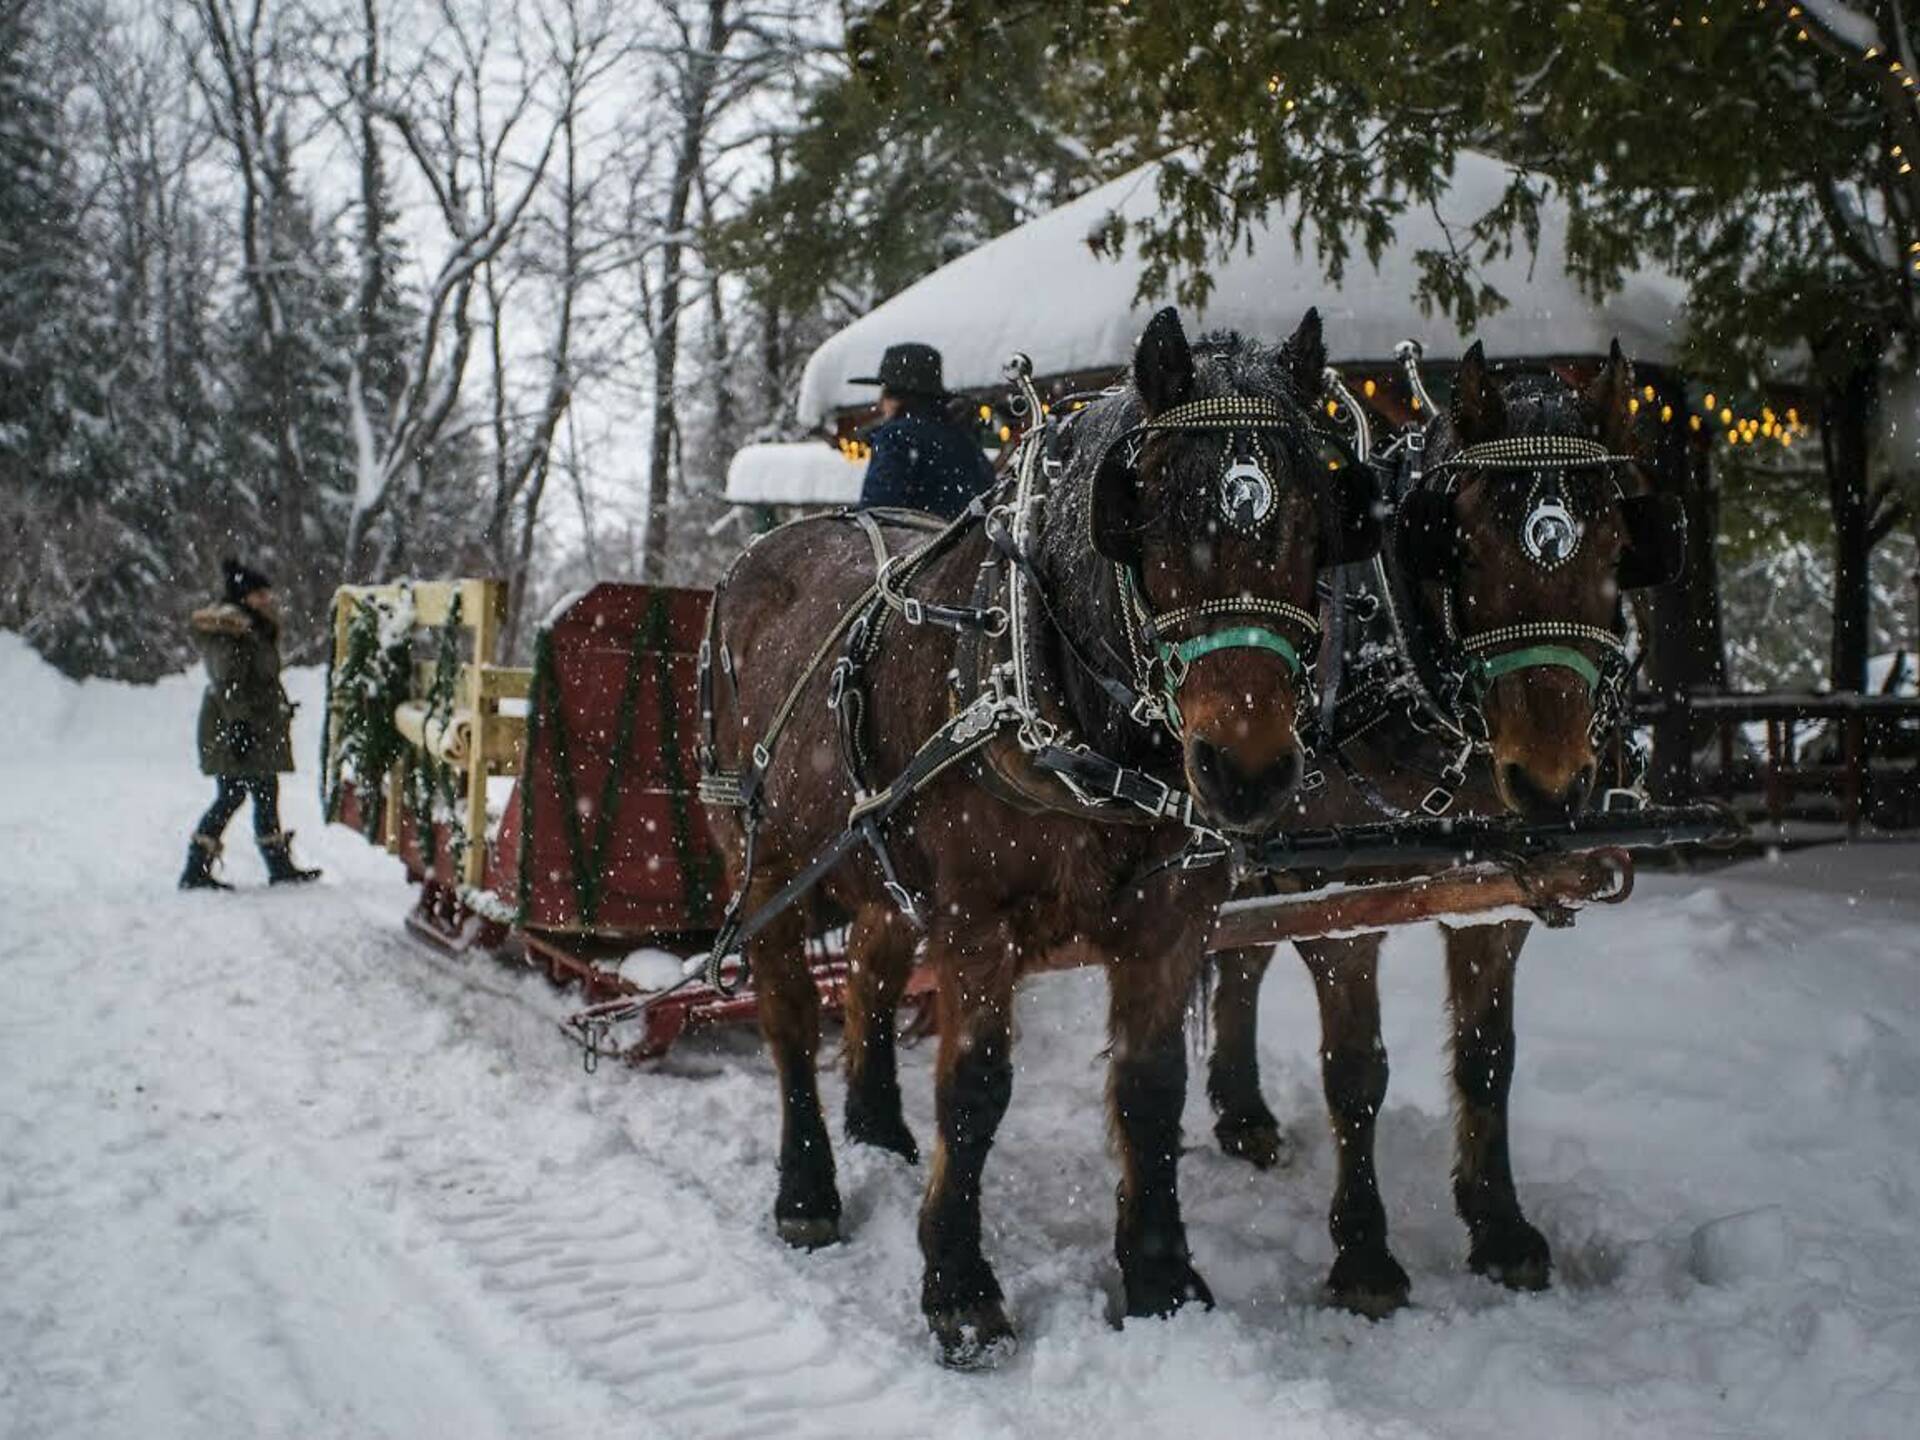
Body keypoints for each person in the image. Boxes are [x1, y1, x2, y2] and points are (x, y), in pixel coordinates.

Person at [179, 559, 321, 890]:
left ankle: (277, 865)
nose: (267, 599)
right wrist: (239, 724)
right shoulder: (230, 631)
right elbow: (228, 683)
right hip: (234, 726)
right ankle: (196, 867)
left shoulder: (255, 628)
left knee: (264, 791)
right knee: (232, 794)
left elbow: (261, 679)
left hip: (256, 725)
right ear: (244, 596)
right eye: (260, 594)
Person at [851, 342, 995, 520]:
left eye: (886, 394)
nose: (880, 404)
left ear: (900, 396)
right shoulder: (963, 437)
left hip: (921, 537)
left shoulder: (895, 437)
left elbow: (878, 510)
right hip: (970, 535)